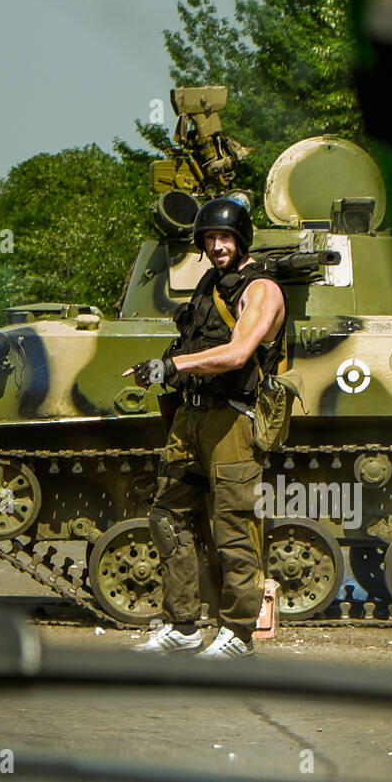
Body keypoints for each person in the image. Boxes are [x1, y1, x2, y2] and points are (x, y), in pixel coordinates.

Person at [123, 197, 286, 658]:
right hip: (192, 417)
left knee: (232, 525)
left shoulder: (261, 290)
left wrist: (170, 366)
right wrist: (160, 372)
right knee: (166, 516)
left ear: (241, 240)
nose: (217, 246)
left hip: (232, 419)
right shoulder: (208, 286)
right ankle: (184, 625)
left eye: (225, 237)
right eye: (210, 238)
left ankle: (237, 633)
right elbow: (194, 349)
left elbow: (236, 355)